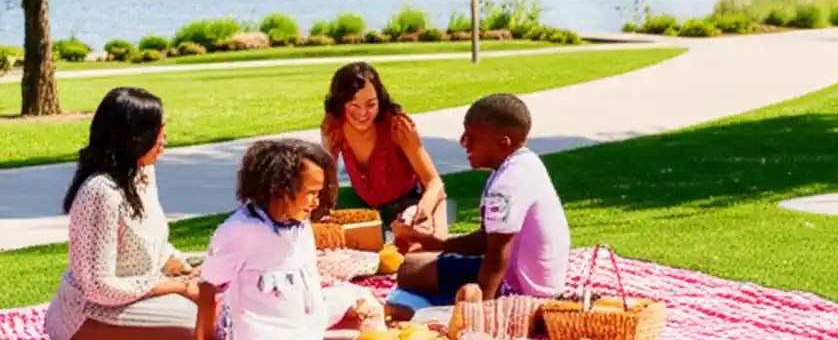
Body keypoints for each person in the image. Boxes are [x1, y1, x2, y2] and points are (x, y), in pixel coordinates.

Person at [388, 94, 570, 315]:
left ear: (503, 143)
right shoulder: (523, 163)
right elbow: (486, 239)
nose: (463, 142)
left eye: (471, 136)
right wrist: (431, 241)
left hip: (522, 290)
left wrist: (482, 313)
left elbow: (496, 254)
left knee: (408, 278)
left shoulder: (508, 184)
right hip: (534, 279)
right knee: (411, 266)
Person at [45, 88, 199, 340]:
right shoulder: (101, 193)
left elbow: (152, 242)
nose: (164, 139)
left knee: (222, 304)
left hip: (136, 295)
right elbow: (98, 287)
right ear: (134, 138)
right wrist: (177, 286)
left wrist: (183, 267)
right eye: (158, 132)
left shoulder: (143, 174)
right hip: (90, 312)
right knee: (200, 323)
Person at [195, 139, 384, 340]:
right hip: (265, 334)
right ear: (281, 189)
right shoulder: (237, 232)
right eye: (311, 193)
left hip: (307, 323)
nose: (316, 202)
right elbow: (208, 288)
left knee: (363, 300)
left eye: (318, 193)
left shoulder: (300, 224)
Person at [321, 63, 447, 235]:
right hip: (371, 212)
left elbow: (434, 182)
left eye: (371, 104)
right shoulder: (335, 127)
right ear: (340, 103)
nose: (363, 113)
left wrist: (422, 211)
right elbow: (327, 181)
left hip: (409, 205)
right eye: (354, 105)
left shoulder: (397, 126)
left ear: (380, 100)